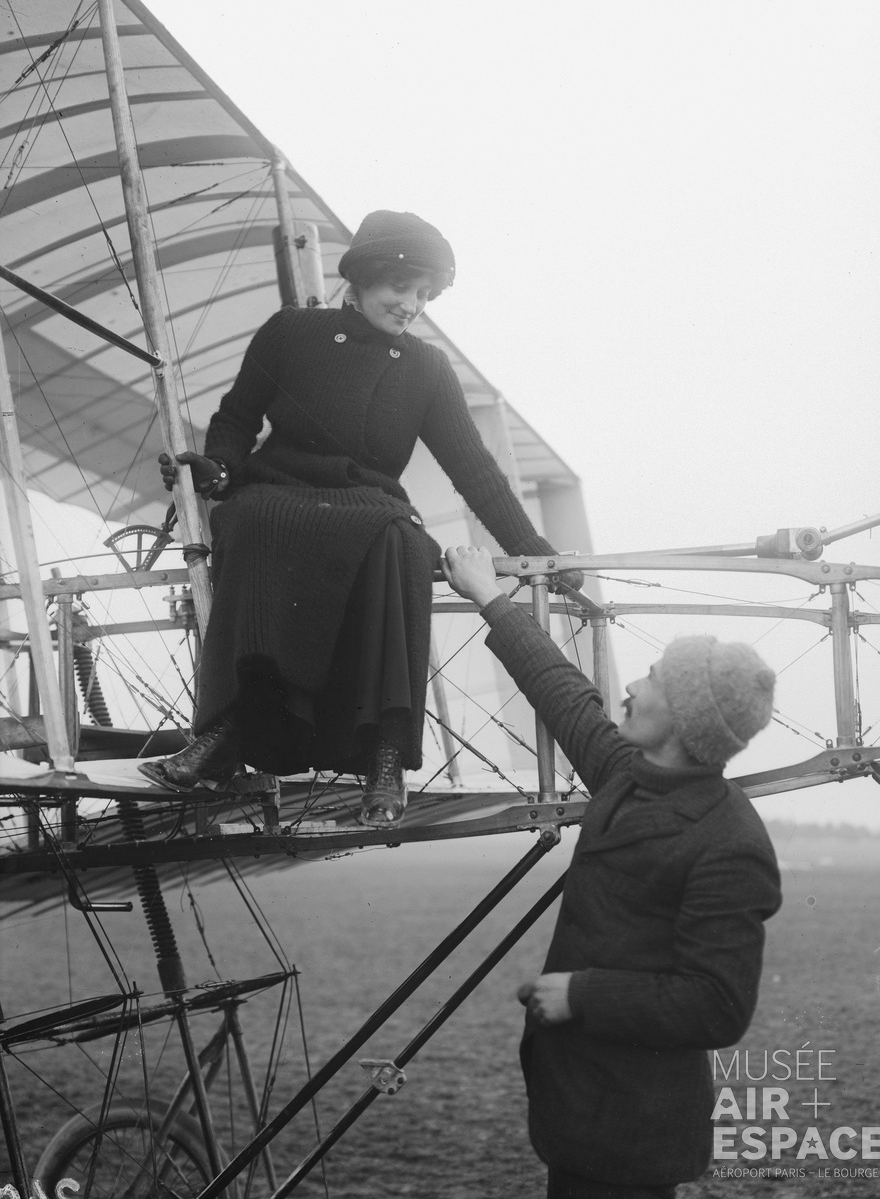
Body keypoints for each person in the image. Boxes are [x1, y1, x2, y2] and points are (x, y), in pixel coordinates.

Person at [139, 210, 579, 825]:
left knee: (400, 544)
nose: (412, 306)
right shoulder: (291, 331)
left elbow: (473, 469)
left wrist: (536, 548)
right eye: (402, 289)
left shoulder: (427, 367)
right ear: (364, 278)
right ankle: (226, 734)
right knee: (249, 519)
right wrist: (218, 468)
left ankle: (386, 754)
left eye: (425, 295)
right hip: (279, 486)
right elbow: (238, 418)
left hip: (369, 500)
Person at [440, 544, 782, 1199]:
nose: (630, 686)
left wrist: (581, 995)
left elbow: (718, 1004)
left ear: (682, 719)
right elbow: (563, 691)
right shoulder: (630, 773)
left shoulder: (730, 841)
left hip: (634, 1131)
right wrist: (489, 596)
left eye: (651, 677)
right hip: (583, 1105)